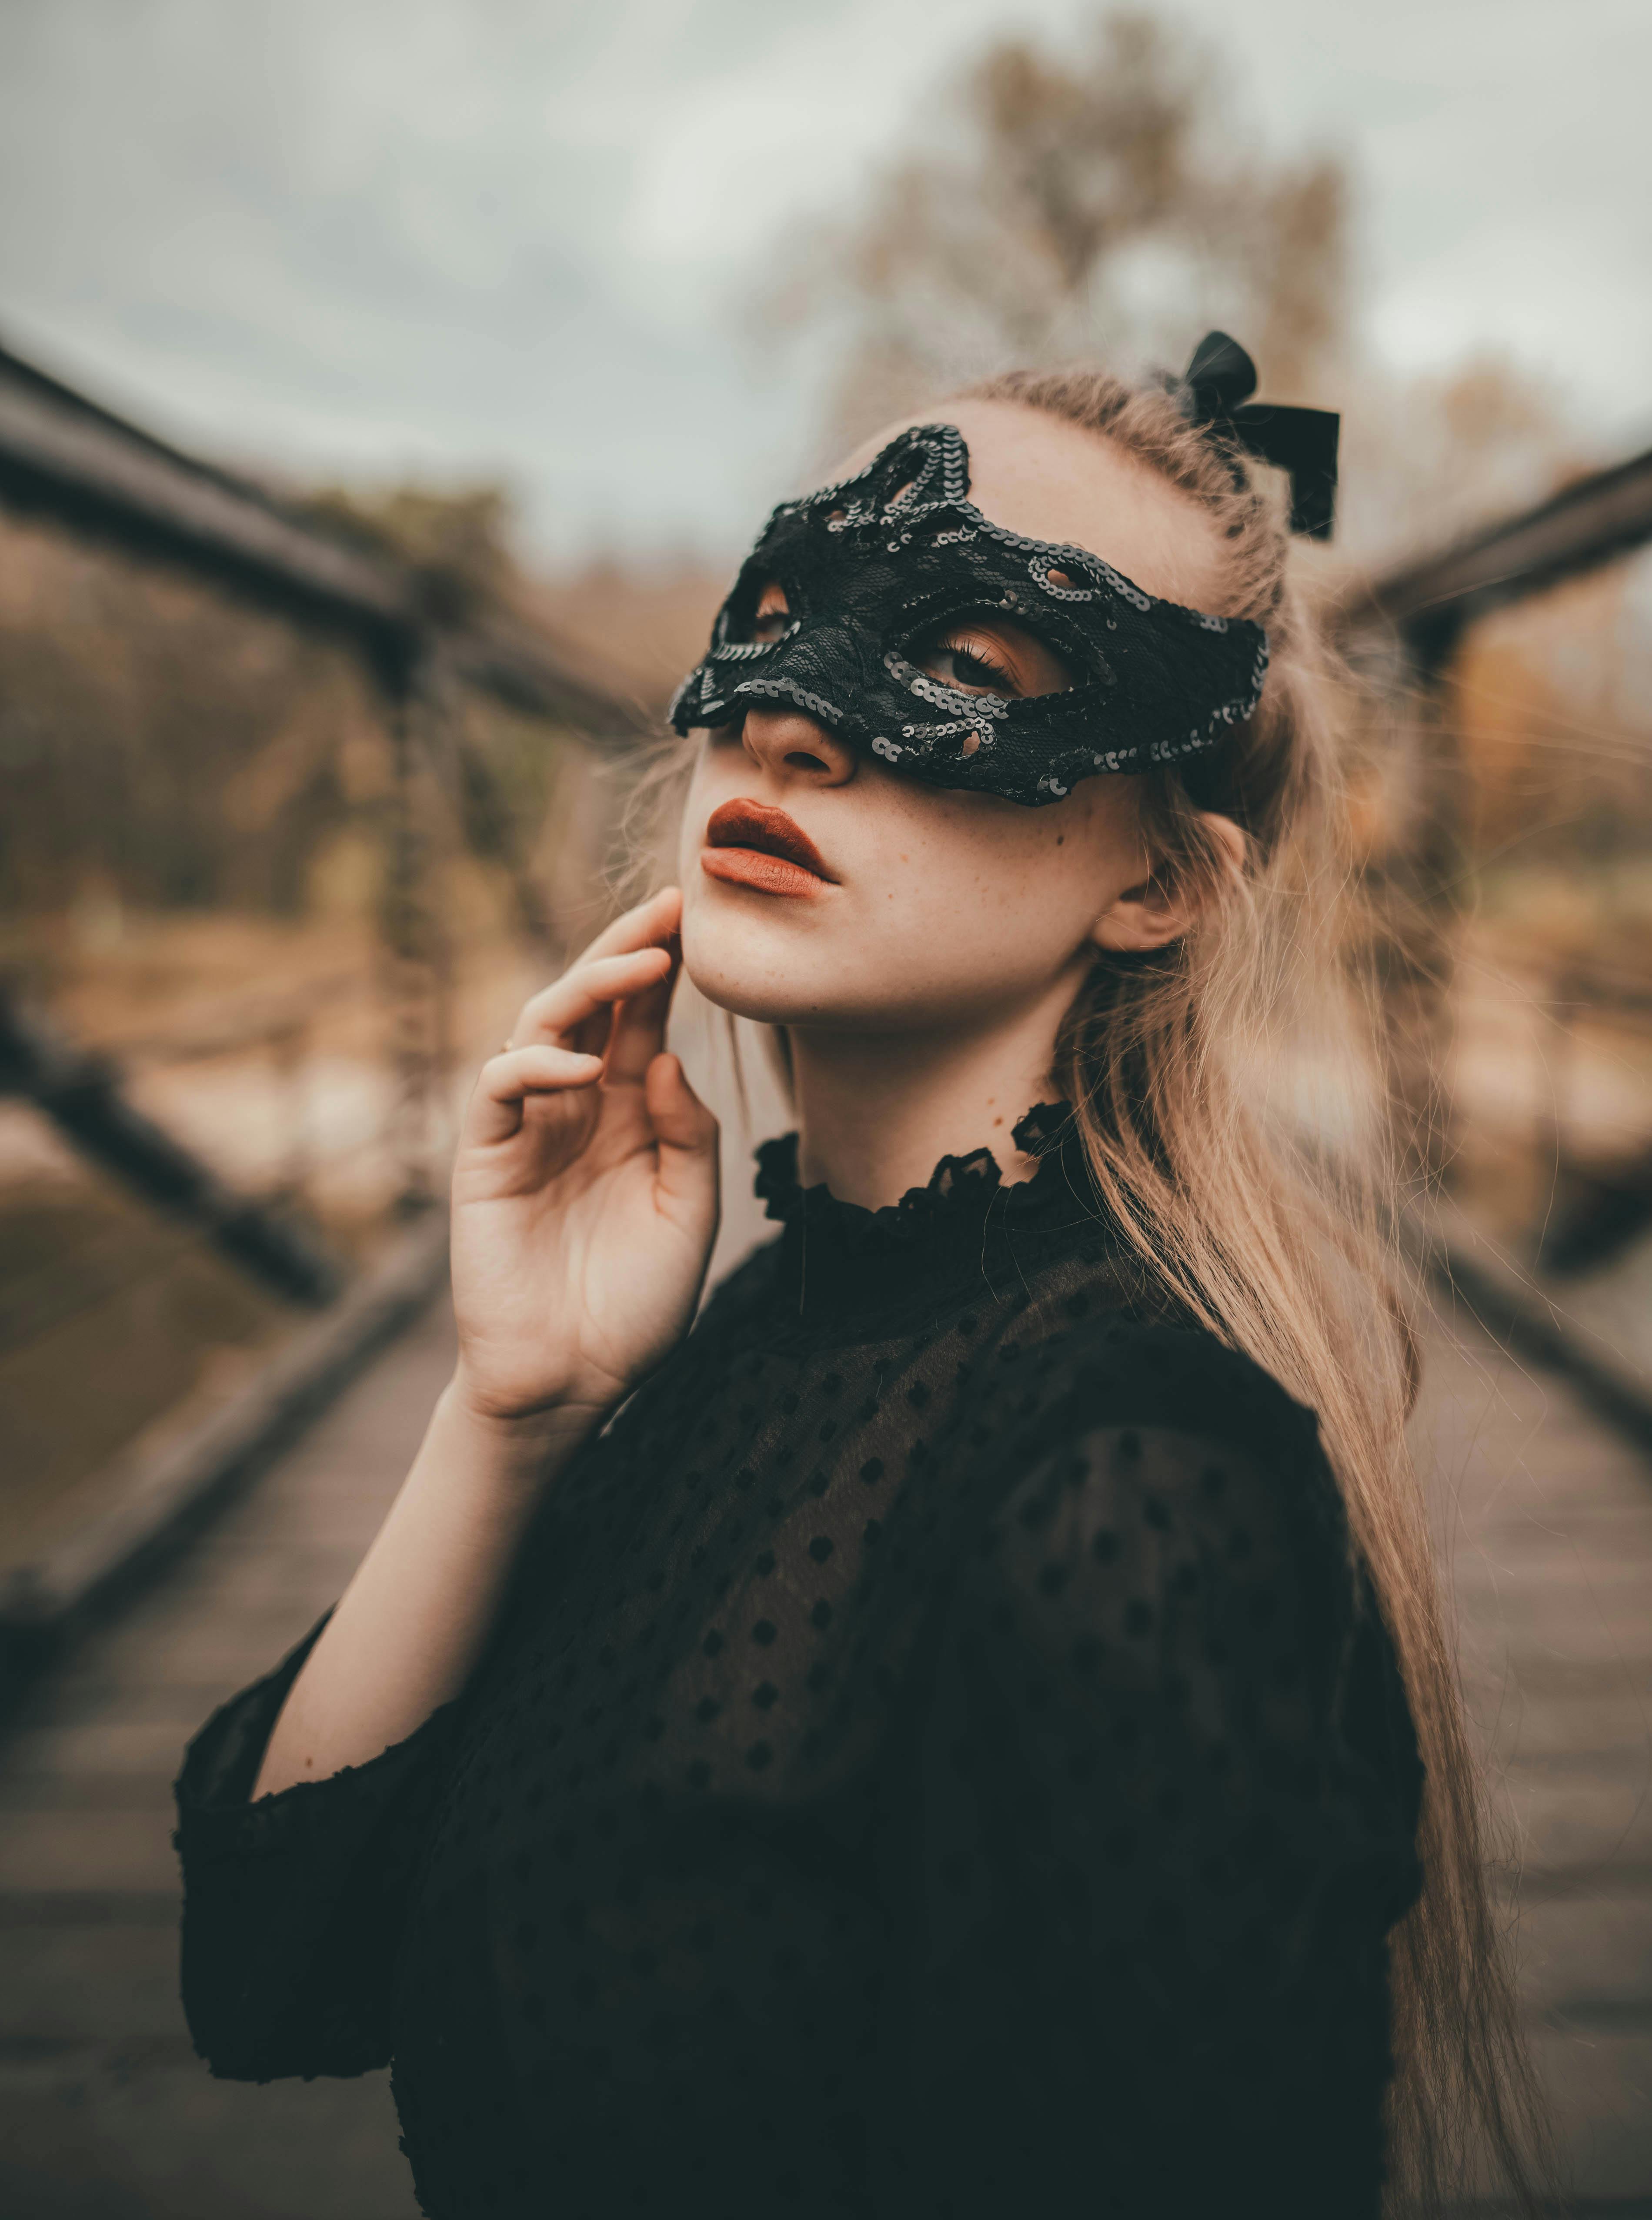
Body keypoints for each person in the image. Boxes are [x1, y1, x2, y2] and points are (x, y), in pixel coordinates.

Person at [175, 341, 1539, 2217]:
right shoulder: (760, 1328)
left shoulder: (1131, 1485)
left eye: (968, 672)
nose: (793, 725)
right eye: (785, 615)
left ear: (1159, 885)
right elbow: (265, 1966)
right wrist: (515, 1411)